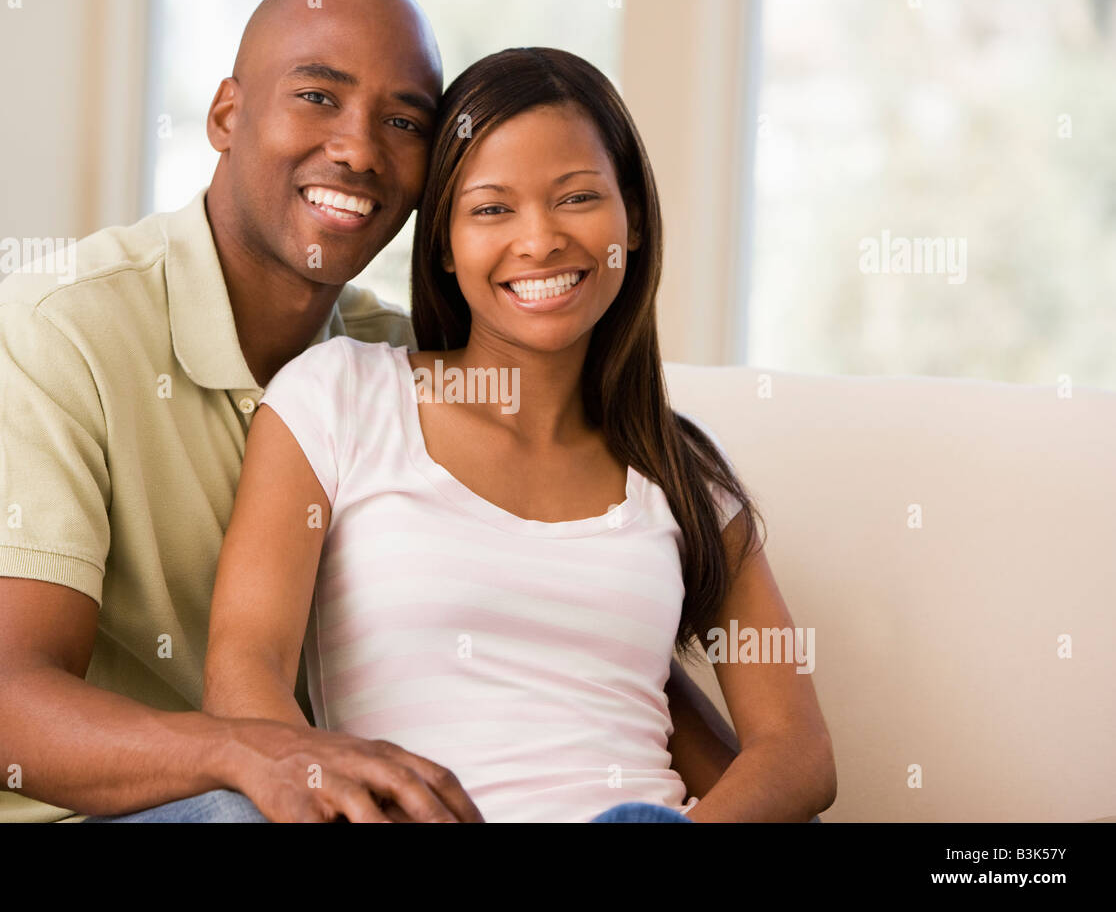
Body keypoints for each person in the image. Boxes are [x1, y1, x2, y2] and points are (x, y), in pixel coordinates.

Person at [0, 0, 743, 823]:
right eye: (317, 96)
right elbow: (6, 714)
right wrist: (254, 751)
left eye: (403, 122)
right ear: (227, 114)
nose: (357, 149)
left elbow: (554, 631)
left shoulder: (396, 367)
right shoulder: (53, 336)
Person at [202, 46, 837, 822]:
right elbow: (244, 669)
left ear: (630, 219)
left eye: (575, 199)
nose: (539, 241)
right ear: (444, 242)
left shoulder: (678, 468)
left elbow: (797, 754)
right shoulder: (339, 396)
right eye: (493, 209)